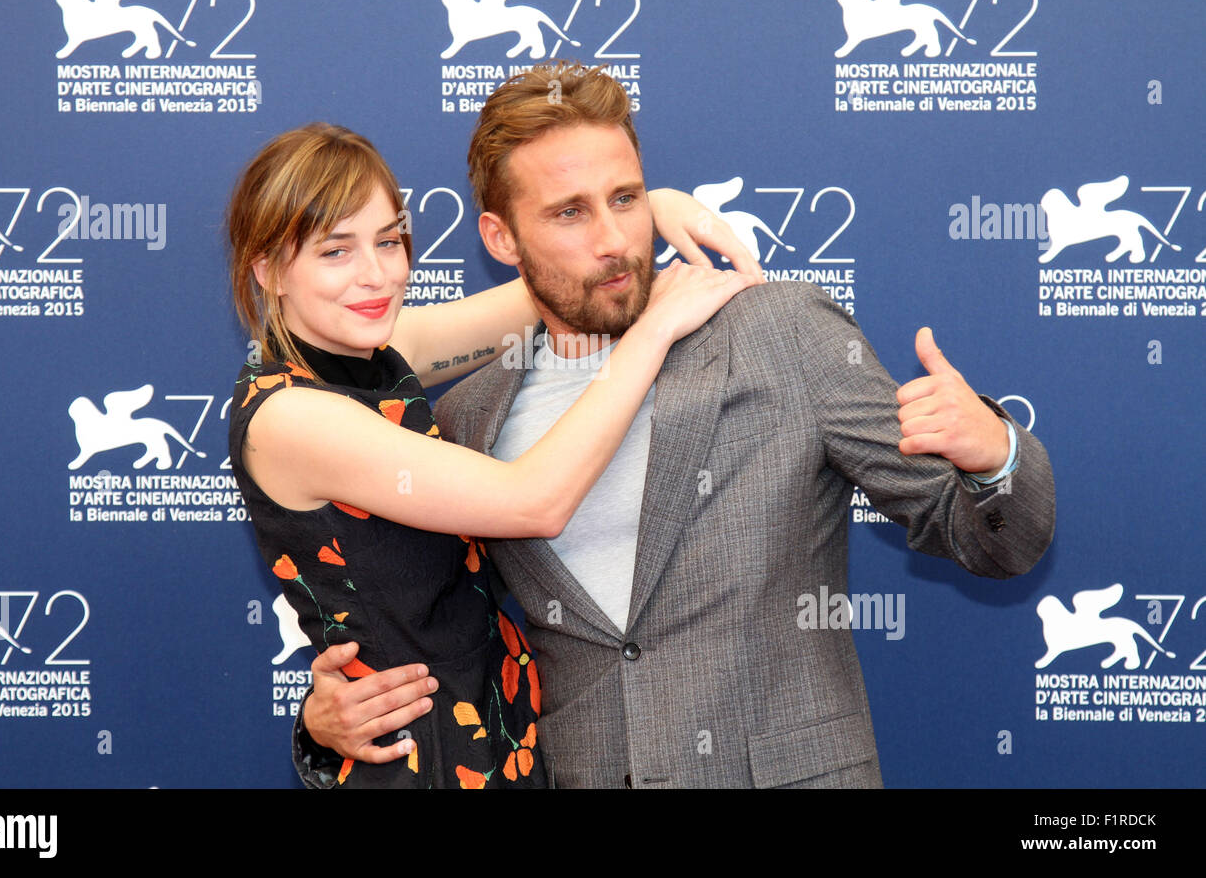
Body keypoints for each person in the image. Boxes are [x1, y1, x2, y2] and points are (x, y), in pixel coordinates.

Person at [298, 64, 1057, 788]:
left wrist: (993, 458)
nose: (612, 239)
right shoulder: (469, 418)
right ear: (500, 239)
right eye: (569, 212)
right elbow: (444, 640)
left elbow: (996, 543)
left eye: (627, 199)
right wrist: (323, 727)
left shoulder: (778, 331)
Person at [225, 122, 758, 788]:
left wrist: (642, 212)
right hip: (427, 761)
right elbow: (535, 501)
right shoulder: (290, 420)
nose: (376, 275)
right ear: (269, 270)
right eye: (335, 251)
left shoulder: (375, 349)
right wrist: (654, 331)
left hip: (500, 730)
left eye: (388, 241)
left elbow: (552, 288)